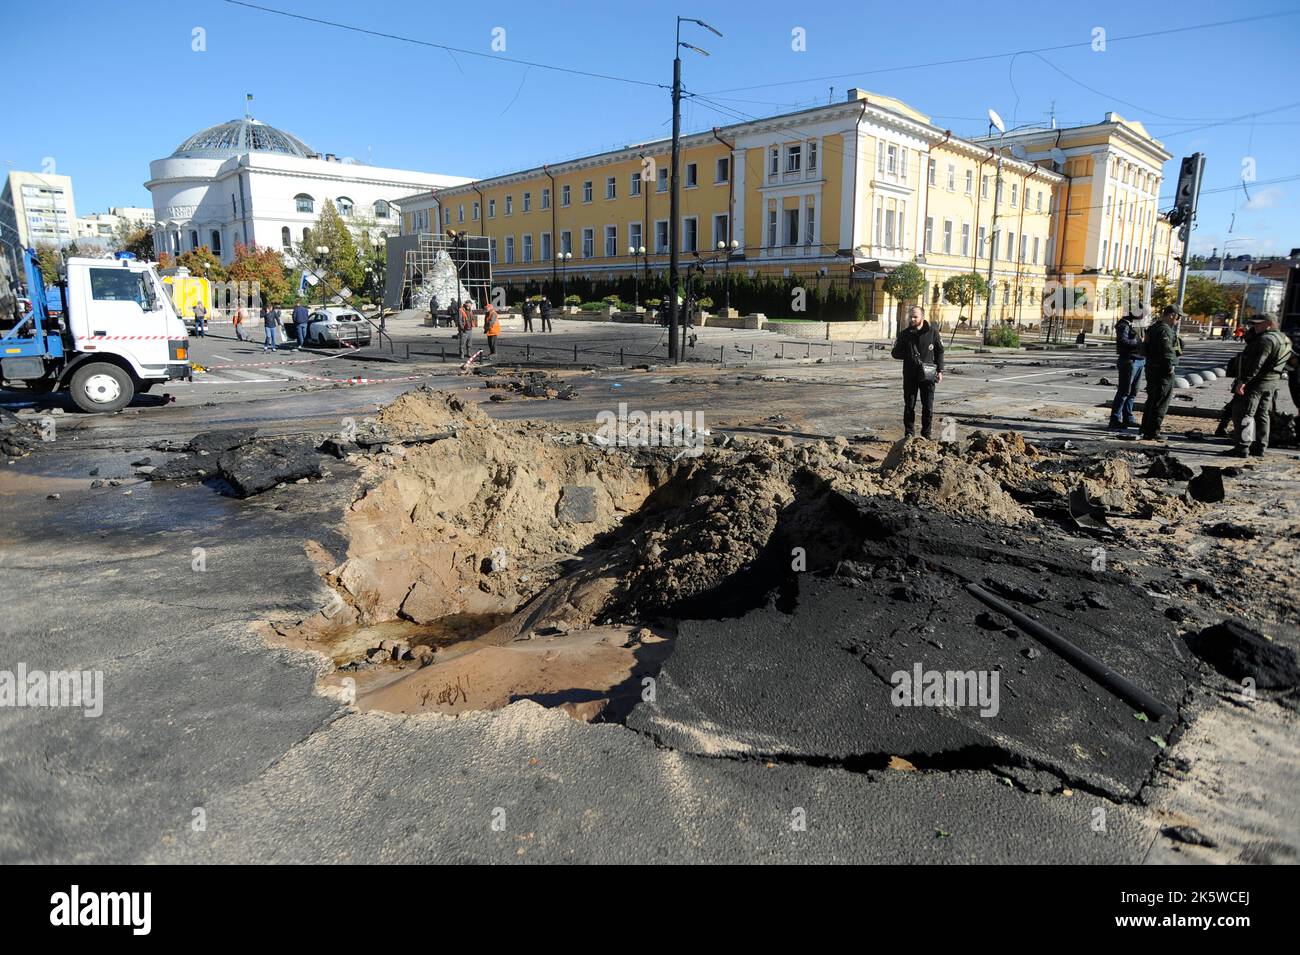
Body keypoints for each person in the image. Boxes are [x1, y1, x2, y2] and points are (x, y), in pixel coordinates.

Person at [1226, 313, 1293, 457]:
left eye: (1258, 324)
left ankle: (1242, 447)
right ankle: (1260, 447)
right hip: (1272, 382)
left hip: (1256, 383)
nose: (1254, 326)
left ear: (1269, 324)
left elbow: (1256, 364)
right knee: (1263, 414)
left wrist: (1243, 381)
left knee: (1245, 414)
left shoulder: (1265, 340)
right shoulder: (1284, 339)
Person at [891, 305, 944, 439]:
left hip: (928, 374)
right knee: (909, 405)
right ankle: (909, 433)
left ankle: (926, 434)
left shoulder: (933, 332)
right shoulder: (904, 334)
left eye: (915, 317)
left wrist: (940, 370)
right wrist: (909, 355)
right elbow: (895, 353)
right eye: (911, 317)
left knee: (928, 407)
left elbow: (940, 351)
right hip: (910, 375)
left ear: (922, 317)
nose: (912, 319)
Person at [1138, 305, 1183, 442]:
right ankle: (1153, 431)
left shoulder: (1154, 327)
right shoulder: (1164, 330)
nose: (1179, 320)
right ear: (1172, 315)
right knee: (1161, 400)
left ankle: (1145, 428)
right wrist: (1169, 367)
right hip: (1161, 370)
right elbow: (1166, 351)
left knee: (1152, 399)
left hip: (1152, 368)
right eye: (1178, 317)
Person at [1108, 307, 1146, 431]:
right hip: (1129, 361)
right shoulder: (1123, 324)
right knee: (1124, 391)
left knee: (1133, 392)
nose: (1143, 316)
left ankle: (1128, 417)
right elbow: (1123, 341)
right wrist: (1140, 343)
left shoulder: (1136, 324)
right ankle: (1115, 419)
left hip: (1139, 360)